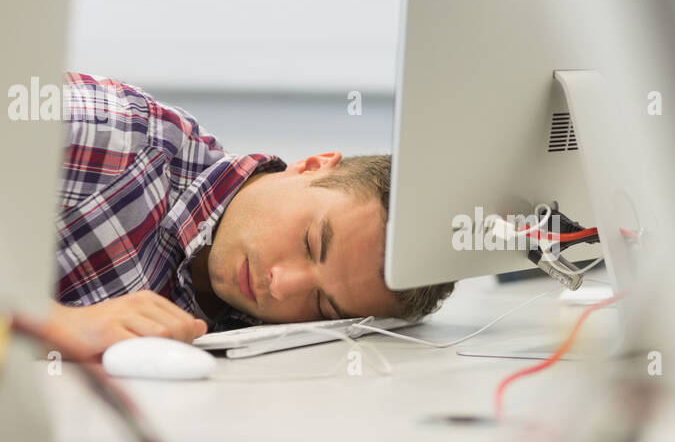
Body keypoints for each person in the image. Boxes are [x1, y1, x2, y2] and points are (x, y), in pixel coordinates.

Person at [47, 73, 453, 355]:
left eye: (321, 306)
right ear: (313, 165)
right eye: (310, 243)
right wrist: (52, 323)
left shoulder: (251, 332)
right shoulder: (113, 133)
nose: (280, 287)